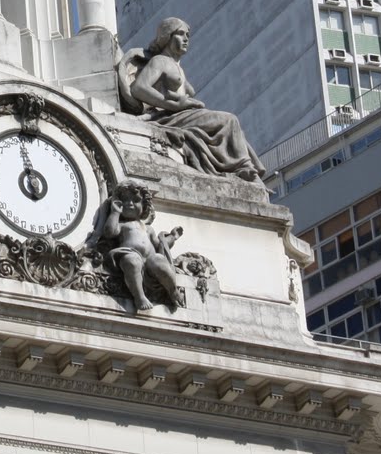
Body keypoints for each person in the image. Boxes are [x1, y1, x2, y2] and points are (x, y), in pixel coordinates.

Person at [117, 18, 267, 182]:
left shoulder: (177, 66)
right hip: (168, 117)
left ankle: (244, 167)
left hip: (183, 114)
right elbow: (139, 88)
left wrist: (186, 101)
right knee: (230, 120)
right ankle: (243, 167)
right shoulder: (160, 61)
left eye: (188, 35)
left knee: (232, 127)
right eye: (181, 34)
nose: (186, 39)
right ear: (167, 36)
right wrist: (170, 104)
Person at [99, 179, 185, 312]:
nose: (130, 204)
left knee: (159, 260)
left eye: (135, 200)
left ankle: (172, 289)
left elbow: (159, 244)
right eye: (125, 201)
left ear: (145, 205)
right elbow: (109, 232)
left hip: (150, 260)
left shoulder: (148, 228)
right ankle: (139, 296)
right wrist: (114, 212)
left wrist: (172, 237)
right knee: (131, 261)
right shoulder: (122, 225)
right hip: (131, 253)